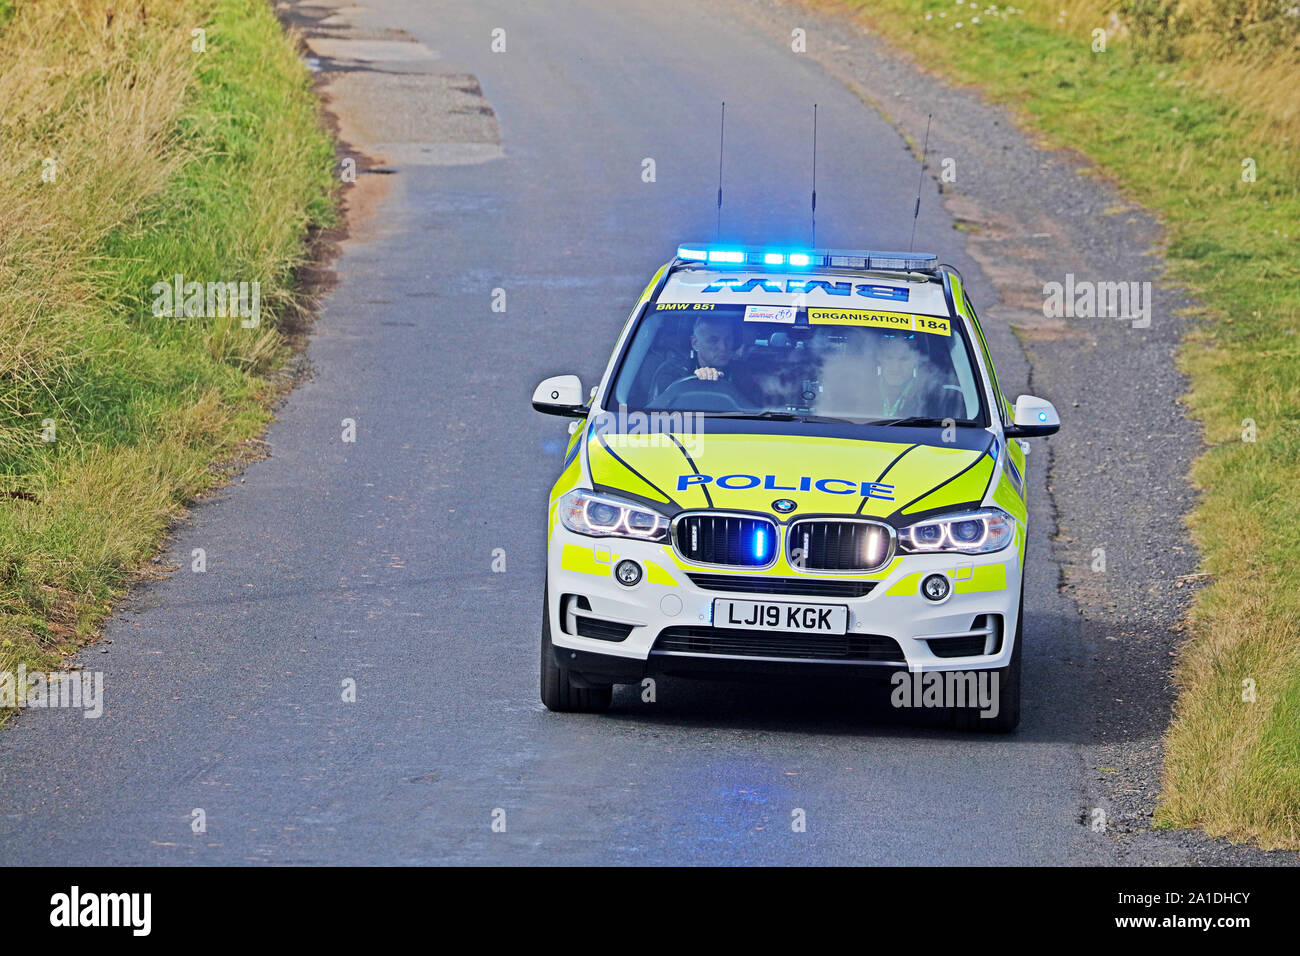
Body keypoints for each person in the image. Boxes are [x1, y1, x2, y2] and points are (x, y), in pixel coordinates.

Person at [649, 314, 744, 396]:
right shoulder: (673, 372)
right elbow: (660, 412)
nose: (723, 347)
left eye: (728, 339)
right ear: (695, 343)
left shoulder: (742, 372)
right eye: (713, 340)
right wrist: (694, 382)